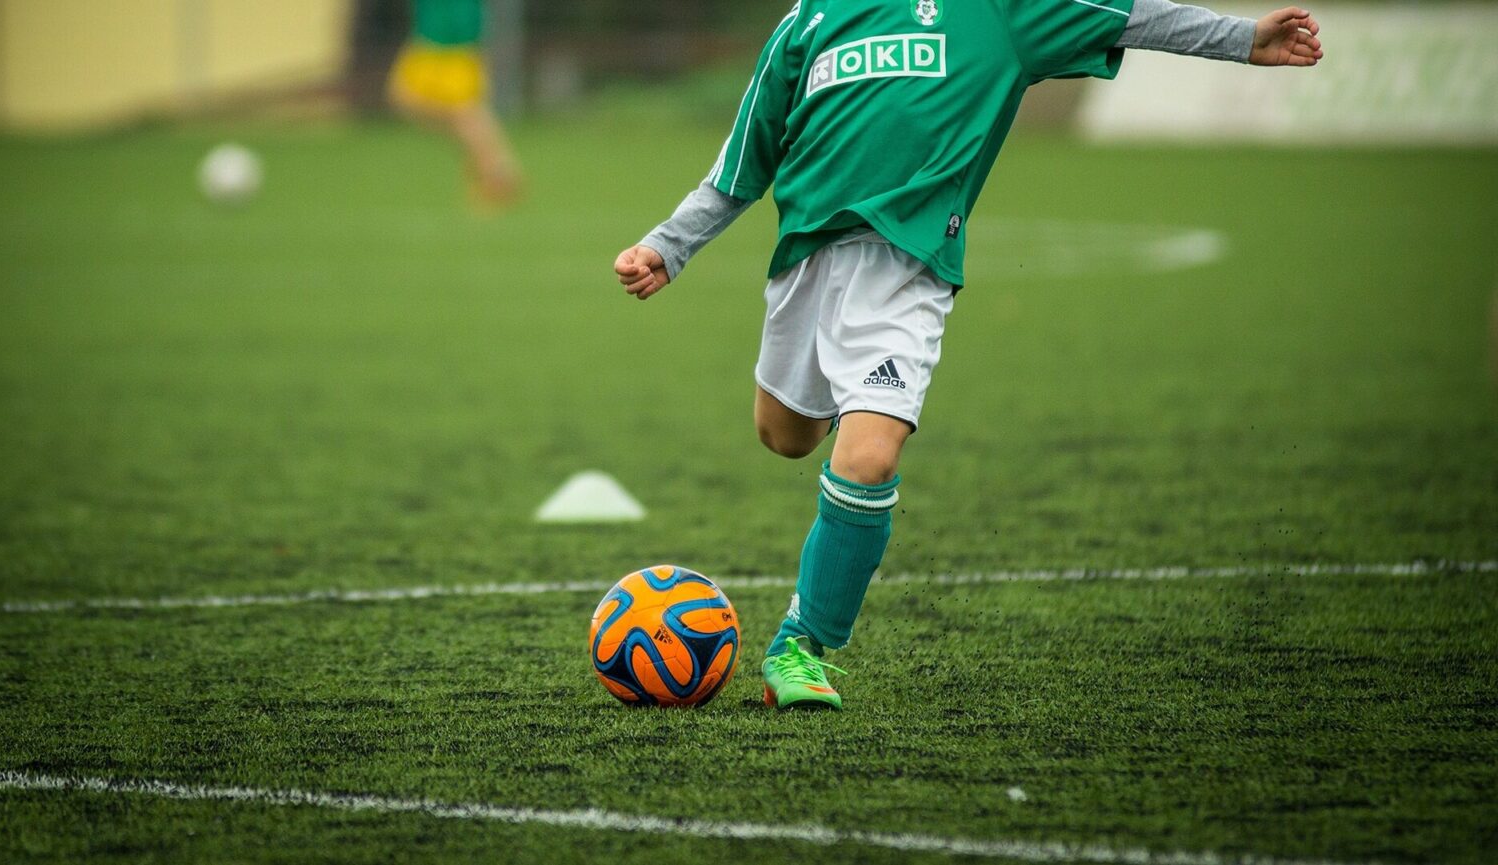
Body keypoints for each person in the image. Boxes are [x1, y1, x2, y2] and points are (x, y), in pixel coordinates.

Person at [613, 0, 1322, 710]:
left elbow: (1126, 15)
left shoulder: (997, 12)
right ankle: (851, 410)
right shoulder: (809, 20)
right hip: (805, 264)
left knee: (869, 458)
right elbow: (742, 162)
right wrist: (667, 246)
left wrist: (1243, 38)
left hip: (907, 271)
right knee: (785, 435)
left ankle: (800, 644)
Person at [388, 0, 523, 205]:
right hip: (440, 37)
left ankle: (496, 170)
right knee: (458, 114)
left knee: (464, 113)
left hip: (448, 39)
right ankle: (493, 163)